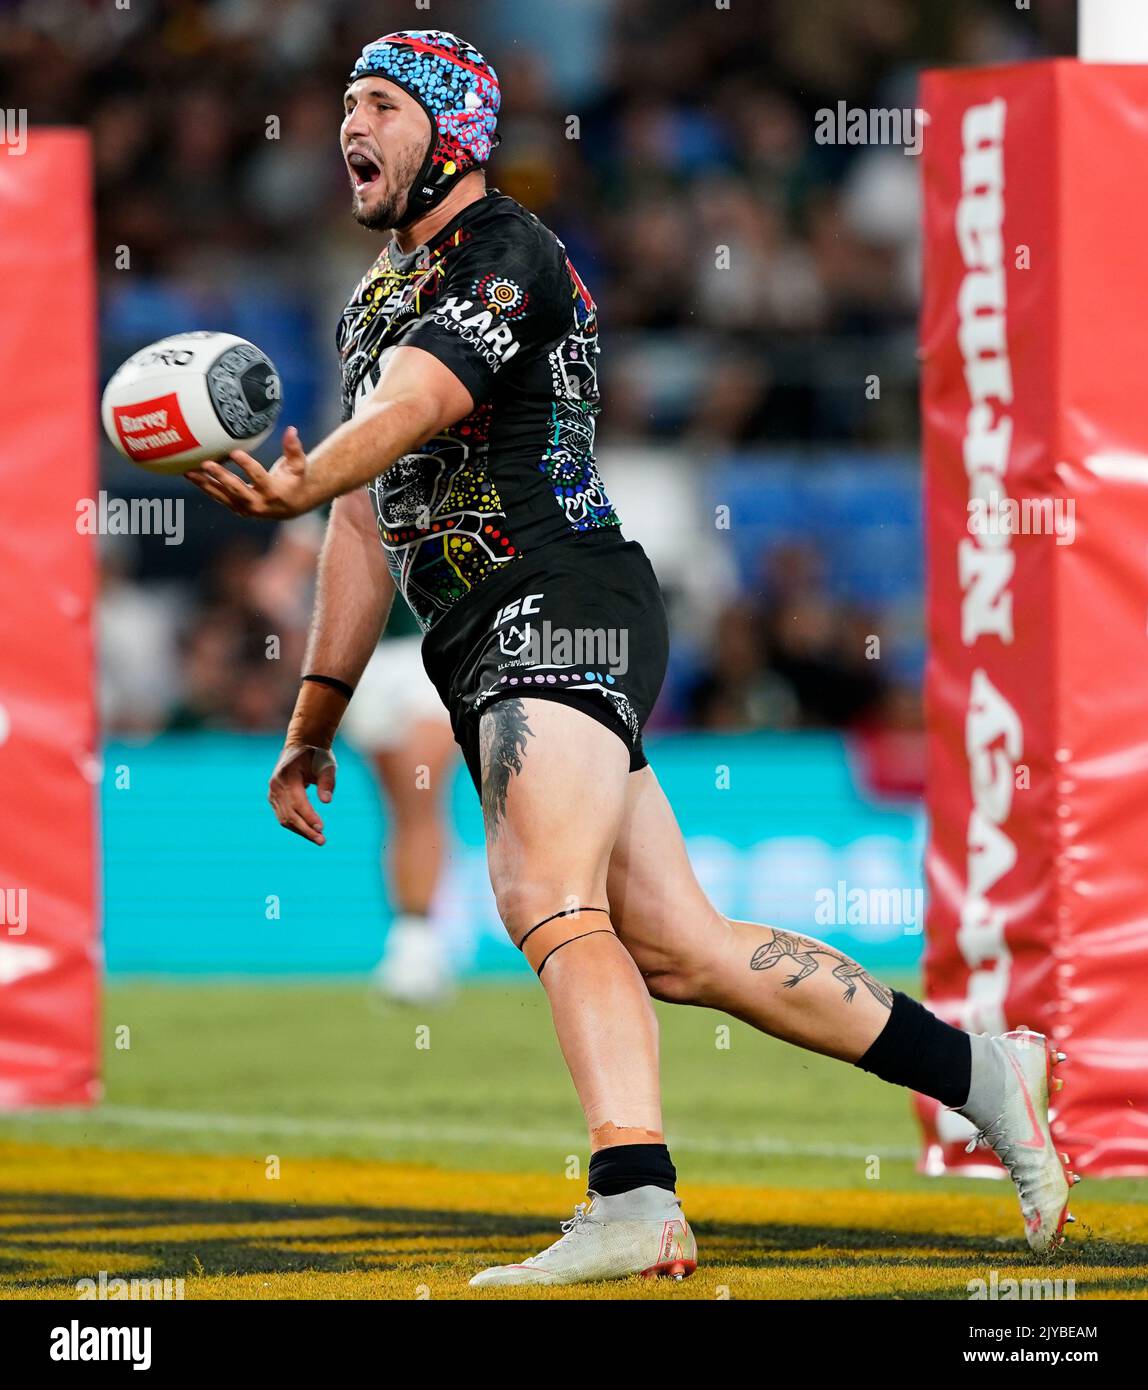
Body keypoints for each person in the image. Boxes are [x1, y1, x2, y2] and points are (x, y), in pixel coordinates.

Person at [187, 29, 1076, 1287]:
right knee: (679, 949)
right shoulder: (375, 298)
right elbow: (359, 513)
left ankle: (634, 1196)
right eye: (345, 105)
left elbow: (414, 412)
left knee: (544, 893)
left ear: (453, 132)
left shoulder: (509, 255)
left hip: (557, 598)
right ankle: (980, 1070)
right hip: (479, 629)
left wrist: (306, 472)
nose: (350, 125)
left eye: (381, 105)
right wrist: (313, 712)